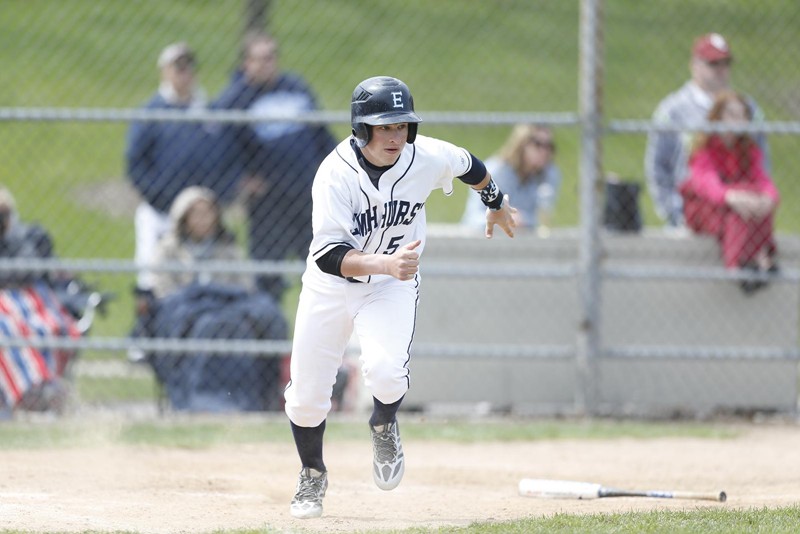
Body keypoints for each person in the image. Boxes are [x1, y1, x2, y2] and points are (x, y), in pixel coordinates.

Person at [283, 76, 517, 519]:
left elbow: (469, 165)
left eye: (401, 126)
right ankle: (312, 474)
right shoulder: (335, 174)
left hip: (390, 286)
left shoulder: (424, 156)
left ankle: (383, 423)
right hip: (331, 286)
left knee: (388, 373)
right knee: (306, 397)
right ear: (361, 129)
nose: (394, 136)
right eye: (383, 127)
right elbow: (330, 256)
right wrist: (385, 263)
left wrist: (495, 200)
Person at [134, 186, 288, 412]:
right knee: (207, 326)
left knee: (238, 324)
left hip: (230, 316)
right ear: (183, 218)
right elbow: (164, 294)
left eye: (208, 213)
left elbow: (245, 288)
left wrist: (216, 298)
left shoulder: (228, 249)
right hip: (190, 317)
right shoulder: (168, 250)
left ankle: (244, 400)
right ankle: (202, 399)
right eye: (196, 213)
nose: (203, 219)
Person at [212, 31, 337, 301]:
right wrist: (238, 180)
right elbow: (218, 149)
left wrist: (335, 168)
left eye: (270, 57)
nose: (266, 64)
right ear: (246, 63)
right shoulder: (236, 100)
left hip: (307, 195)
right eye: (259, 59)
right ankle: (270, 325)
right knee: (268, 274)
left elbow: (322, 135)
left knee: (322, 266)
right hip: (268, 202)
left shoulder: (296, 88)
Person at [125, 43, 236, 303]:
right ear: (165, 72)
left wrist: (216, 199)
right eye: (178, 68)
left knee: (201, 276)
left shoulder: (208, 111)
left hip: (201, 216)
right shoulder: (152, 112)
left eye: (188, 68)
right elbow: (135, 161)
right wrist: (159, 197)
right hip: (161, 212)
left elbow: (229, 155)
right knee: (152, 278)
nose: (184, 74)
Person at [645, 33, 769, 228]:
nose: (721, 69)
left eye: (726, 63)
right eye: (713, 63)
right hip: (689, 214)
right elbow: (658, 166)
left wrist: (757, 199)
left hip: (738, 217)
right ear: (694, 65)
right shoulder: (673, 109)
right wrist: (671, 210)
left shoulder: (747, 108)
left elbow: (761, 162)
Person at [679, 91, 779, 294]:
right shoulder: (705, 149)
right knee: (742, 199)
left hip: (738, 212)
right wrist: (732, 197)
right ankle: (741, 263)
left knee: (756, 198)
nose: (738, 121)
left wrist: (769, 198)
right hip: (706, 211)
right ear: (717, 118)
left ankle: (754, 261)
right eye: (732, 115)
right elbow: (707, 185)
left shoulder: (749, 150)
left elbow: (763, 180)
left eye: (743, 116)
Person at [461, 124, 560, 236]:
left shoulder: (549, 175)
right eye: (538, 144)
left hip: (522, 240)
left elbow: (541, 221)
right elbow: (473, 218)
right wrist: (502, 218)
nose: (544, 151)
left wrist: (522, 219)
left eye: (549, 146)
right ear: (522, 143)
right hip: (485, 237)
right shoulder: (495, 172)